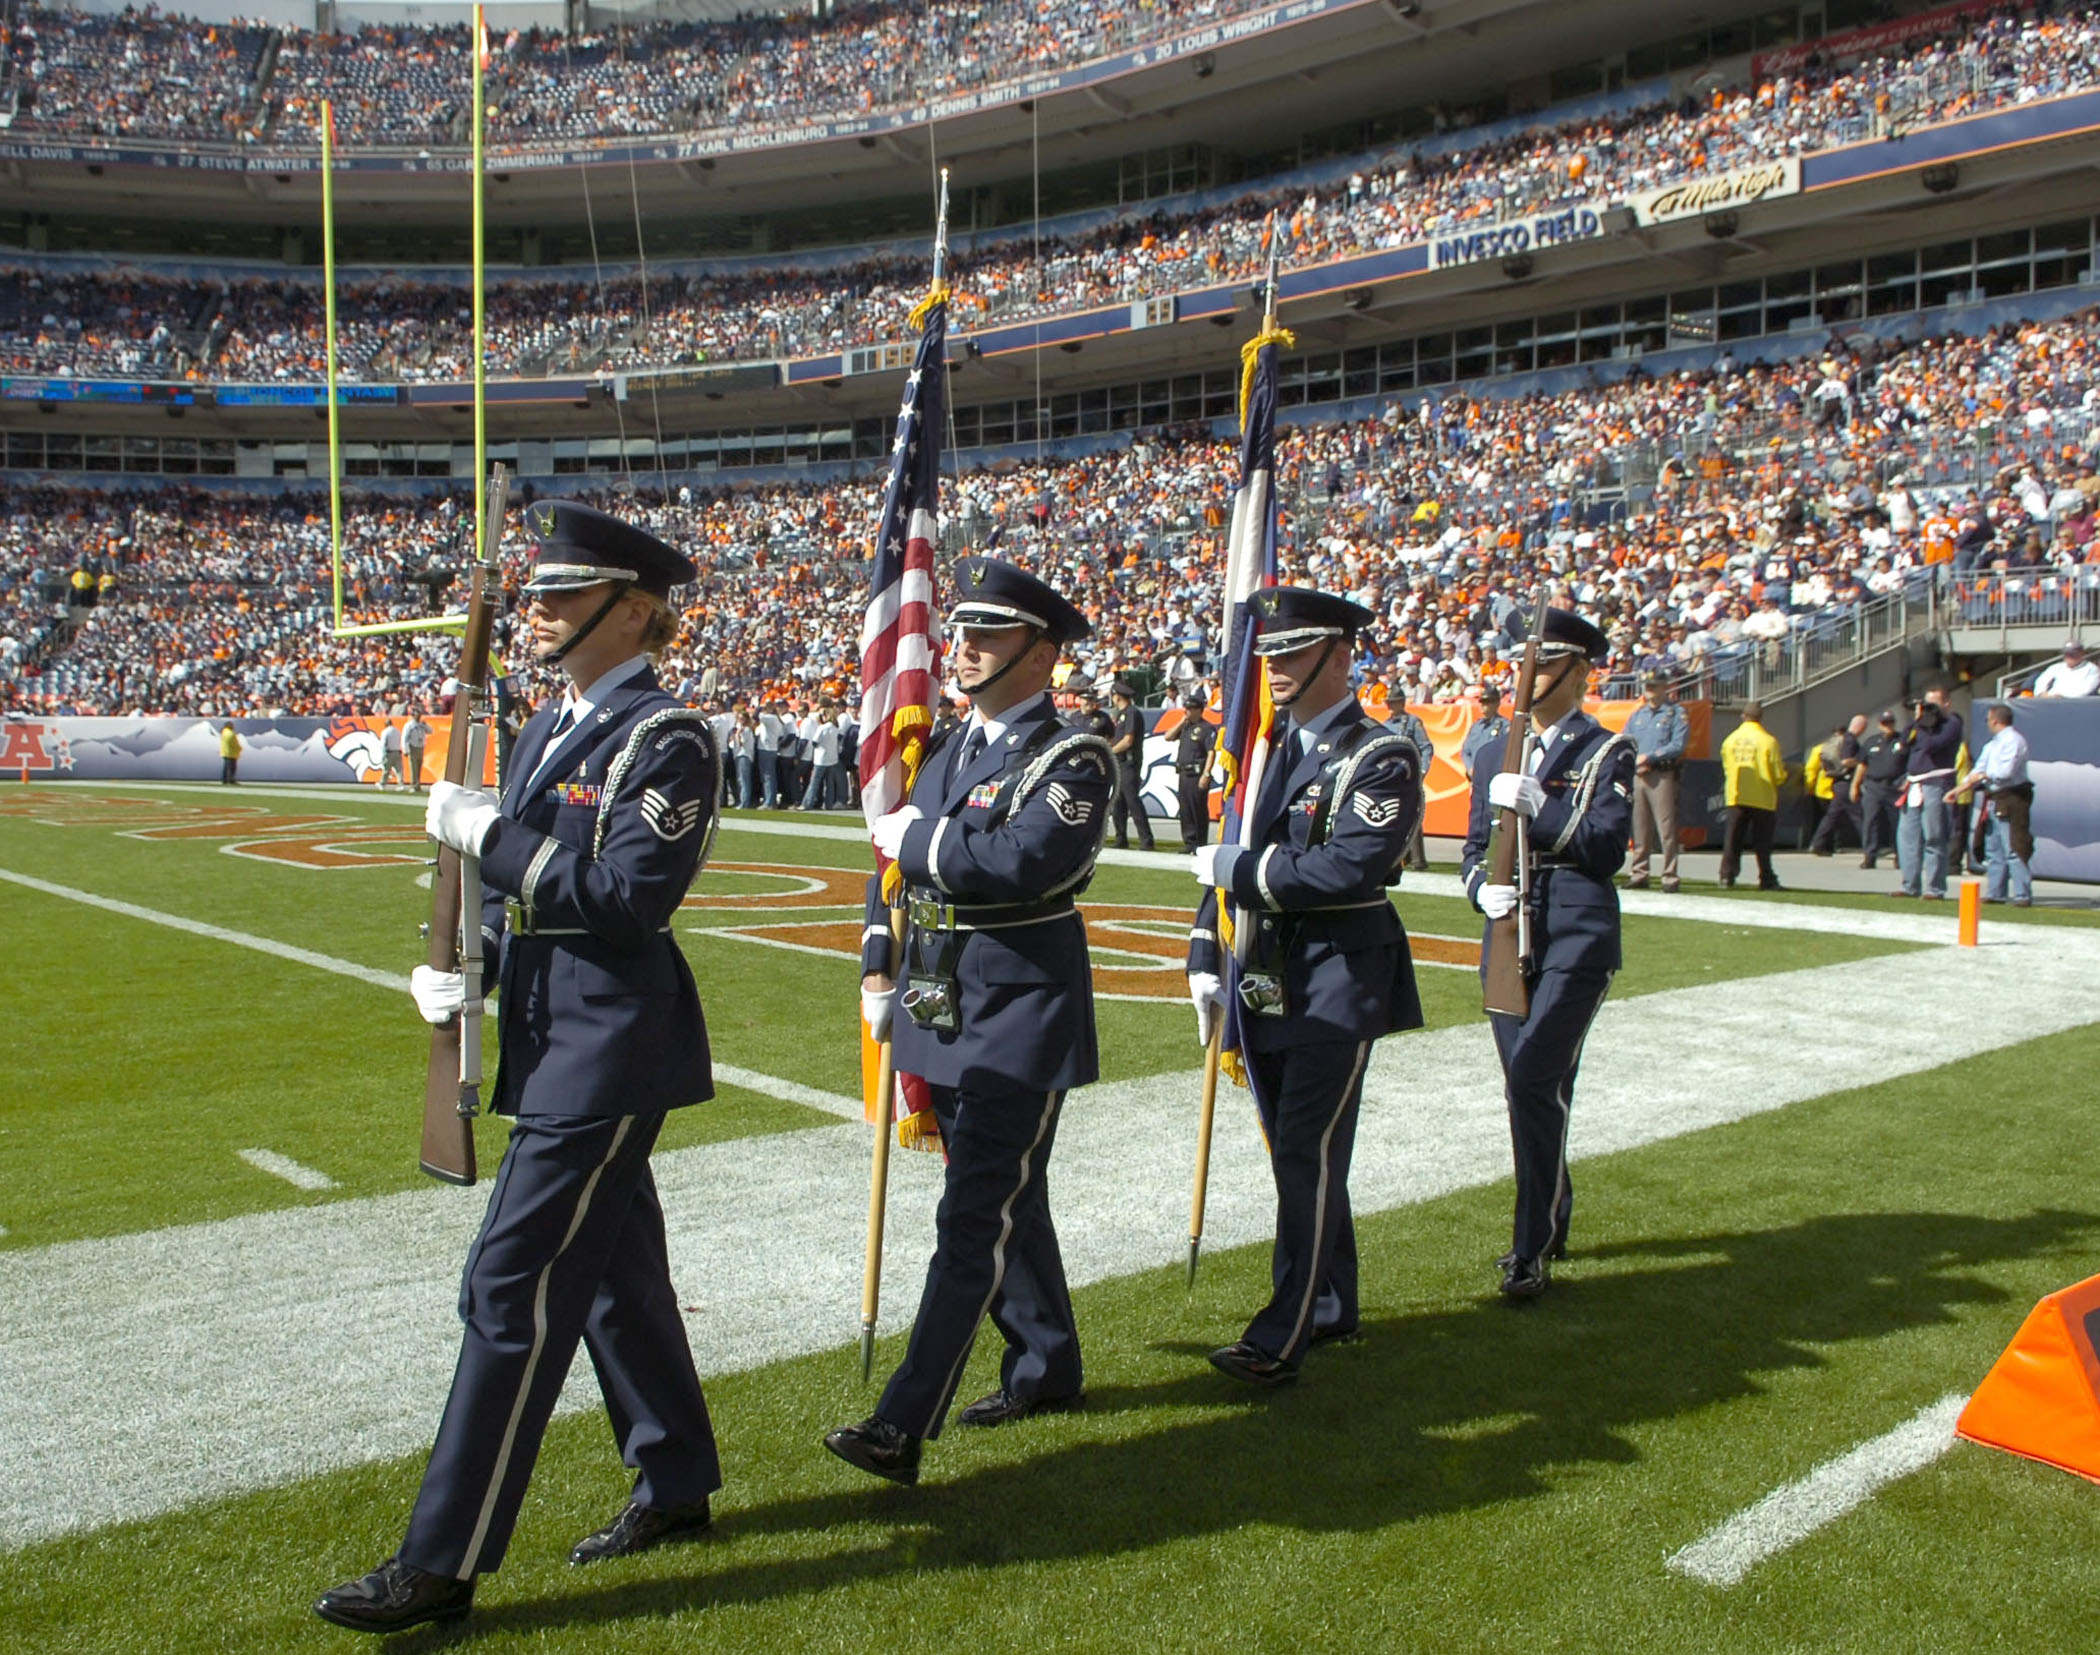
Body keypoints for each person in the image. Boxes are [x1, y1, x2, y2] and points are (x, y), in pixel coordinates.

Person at [315, 501, 724, 1635]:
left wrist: (487, 833)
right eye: (536, 591)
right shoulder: (554, 723)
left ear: (633, 609)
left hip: (607, 1056)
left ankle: (439, 1558)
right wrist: (473, 969)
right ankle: (678, 1474)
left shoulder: (666, 736)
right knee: (612, 1276)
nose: (535, 609)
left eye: (561, 592)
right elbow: (538, 907)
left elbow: (628, 901)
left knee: (507, 1287)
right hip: (555, 1041)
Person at [826, 556, 1112, 1486]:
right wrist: (879, 962)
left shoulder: (1071, 756)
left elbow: (1027, 859)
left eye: (992, 633)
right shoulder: (950, 748)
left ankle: (902, 1421)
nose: (967, 646)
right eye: (966, 629)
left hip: (1019, 1013)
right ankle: (1046, 1359)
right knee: (1007, 1200)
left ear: (1042, 653)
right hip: (938, 999)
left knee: (972, 1215)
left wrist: (927, 841)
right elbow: (891, 859)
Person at [1186, 588, 1424, 1384]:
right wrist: (1202, 950)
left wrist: (1244, 872)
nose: (1276, 667)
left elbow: (1352, 863)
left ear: (1340, 655)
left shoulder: (1379, 754)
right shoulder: (1265, 748)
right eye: (1270, 653)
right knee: (1306, 1154)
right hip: (1268, 976)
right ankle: (1334, 1301)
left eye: (1294, 652)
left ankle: (1284, 1330)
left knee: (1304, 1150)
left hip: (1337, 978)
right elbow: (1231, 846)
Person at [1460, 607, 1634, 1298]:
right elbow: (1473, 850)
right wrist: (1481, 891)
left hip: (1576, 934)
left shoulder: (1604, 751)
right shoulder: (1491, 751)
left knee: (1533, 1078)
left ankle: (1528, 1245)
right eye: (1521, 662)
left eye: (1545, 662)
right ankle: (1552, 1209)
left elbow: (1605, 848)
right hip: (1508, 933)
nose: (1525, 675)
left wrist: (1543, 808)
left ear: (1579, 671)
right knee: (1534, 1087)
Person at [1950, 703, 2035, 906]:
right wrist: (1960, 788)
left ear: (1996, 720)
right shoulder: (1992, 745)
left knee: (2014, 846)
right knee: (1993, 849)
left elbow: (2006, 773)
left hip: (2012, 798)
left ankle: (2023, 893)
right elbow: (1977, 769)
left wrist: (1984, 776)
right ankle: (1996, 892)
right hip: (1993, 797)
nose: (1987, 723)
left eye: (1988, 719)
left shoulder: (2014, 741)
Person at [1622, 671, 1687, 891]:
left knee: (1665, 827)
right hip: (1639, 775)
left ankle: (1670, 875)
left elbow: (1678, 745)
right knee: (1640, 828)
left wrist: (1651, 756)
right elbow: (1626, 740)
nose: (1649, 690)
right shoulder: (1638, 715)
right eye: (1647, 686)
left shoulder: (1675, 713)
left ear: (1664, 687)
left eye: (1654, 686)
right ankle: (1640, 872)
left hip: (1661, 775)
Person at [1897, 692, 1962, 899]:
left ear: (1946, 703)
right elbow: (1903, 743)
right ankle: (1910, 885)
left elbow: (1931, 746)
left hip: (1936, 783)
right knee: (1907, 837)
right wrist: (1917, 721)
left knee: (1933, 836)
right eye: (1926, 704)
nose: (1929, 708)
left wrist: (1924, 725)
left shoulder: (1952, 723)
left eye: (1933, 704)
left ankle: (1935, 887)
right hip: (1914, 783)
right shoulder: (1921, 725)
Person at [1717, 701, 1786, 892]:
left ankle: (1726, 876)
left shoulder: (1730, 740)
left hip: (1736, 796)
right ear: (1760, 718)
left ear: (1743, 716)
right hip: (1762, 796)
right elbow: (1778, 773)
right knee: (1762, 842)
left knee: (1732, 839)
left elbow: (1726, 767)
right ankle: (1766, 878)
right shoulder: (1768, 741)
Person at [1107, 677, 1157, 851]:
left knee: (1132, 801)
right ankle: (1121, 838)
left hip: (1128, 763)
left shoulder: (1131, 713)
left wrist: (1109, 750)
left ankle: (1146, 839)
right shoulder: (1120, 715)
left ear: (1117, 696)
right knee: (1117, 802)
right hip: (1118, 763)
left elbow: (1128, 740)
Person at [1807, 715, 1867, 856]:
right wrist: (1861, 761)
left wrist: (1809, 787)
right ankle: (1870, 846)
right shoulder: (1850, 741)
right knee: (1859, 816)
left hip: (1829, 785)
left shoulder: (1823, 746)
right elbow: (1846, 762)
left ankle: (1817, 844)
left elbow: (1810, 768)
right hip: (1845, 783)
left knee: (1831, 816)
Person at [1855, 709, 1907, 871]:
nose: (1888, 726)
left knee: (1898, 823)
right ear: (1879, 725)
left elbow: (1910, 763)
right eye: (1885, 723)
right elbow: (1862, 765)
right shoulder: (1871, 742)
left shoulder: (1902, 741)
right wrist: (1855, 785)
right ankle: (1869, 856)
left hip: (1894, 787)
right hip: (1874, 786)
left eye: (1891, 722)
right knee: (1871, 822)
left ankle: (1900, 856)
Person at [1387, 700, 1434, 871]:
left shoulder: (1413, 722)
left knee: (1412, 814)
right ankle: (1399, 857)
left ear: (1402, 703)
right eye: (1388, 703)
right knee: (1393, 814)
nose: (1390, 706)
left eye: (1393, 703)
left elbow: (1426, 747)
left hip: (1410, 774)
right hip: (1392, 775)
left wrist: (1421, 771)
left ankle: (1418, 860)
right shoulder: (1386, 724)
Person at [1172, 691, 1213, 850]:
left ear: (1198, 709)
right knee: (1185, 808)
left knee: (1198, 808)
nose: (1187, 711)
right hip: (1183, 772)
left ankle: (1200, 842)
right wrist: (1182, 723)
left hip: (1197, 773)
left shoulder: (1206, 728)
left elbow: (1211, 752)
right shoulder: (1186, 727)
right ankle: (1189, 842)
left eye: (1190, 709)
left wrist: (1206, 773)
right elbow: (1168, 736)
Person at [1459, 683, 1510, 778]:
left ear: (1497, 703)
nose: (1483, 705)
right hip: (1475, 776)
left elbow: (1506, 753)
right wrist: (1470, 768)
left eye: (1488, 702)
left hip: (1493, 775)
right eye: (1482, 702)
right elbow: (1465, 751)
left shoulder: (1504, 726)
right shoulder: (1476, 726)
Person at [2033, 639, 2097, 697]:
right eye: (2067, 653)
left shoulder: (2091, 668)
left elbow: (2086, 689)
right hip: (2051, 700)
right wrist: (2041, 693)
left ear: (2082, 654)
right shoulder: (2056, 667)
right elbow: (2041, 681)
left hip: (2075, 703)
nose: (2069, 656)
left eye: (2073, 653)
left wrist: (2062, 696)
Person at [403, 707, 431, 793]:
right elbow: (405, 738)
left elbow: (430, 731)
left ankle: (417, 784)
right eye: (416, 714)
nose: (418, 716)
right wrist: (406, 749)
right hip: (413, 747)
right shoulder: (409, 725)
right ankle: (413, 785)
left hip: (420, 747)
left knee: (419, 767)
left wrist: (425, 725)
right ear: (413, 715)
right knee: (413, 767)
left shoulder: (421, 725)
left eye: (419, 714)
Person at [380, 715, 405, 789]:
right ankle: (401, 784)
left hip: (389, 752)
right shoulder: (397, 731)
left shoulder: (385, 731)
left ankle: (383, 783)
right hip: (397, 751)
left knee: (386, 769)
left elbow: (383, 743)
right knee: (399, 770)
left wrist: (383, 754)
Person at [218, 719, 242, 785]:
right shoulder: (230, 733)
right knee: (231, 768)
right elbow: (234, 743)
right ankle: (231, 779)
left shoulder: (224, 732)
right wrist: (239, 748)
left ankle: (225, 780)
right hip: (231, 752)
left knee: (226, 767)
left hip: (226, 752)